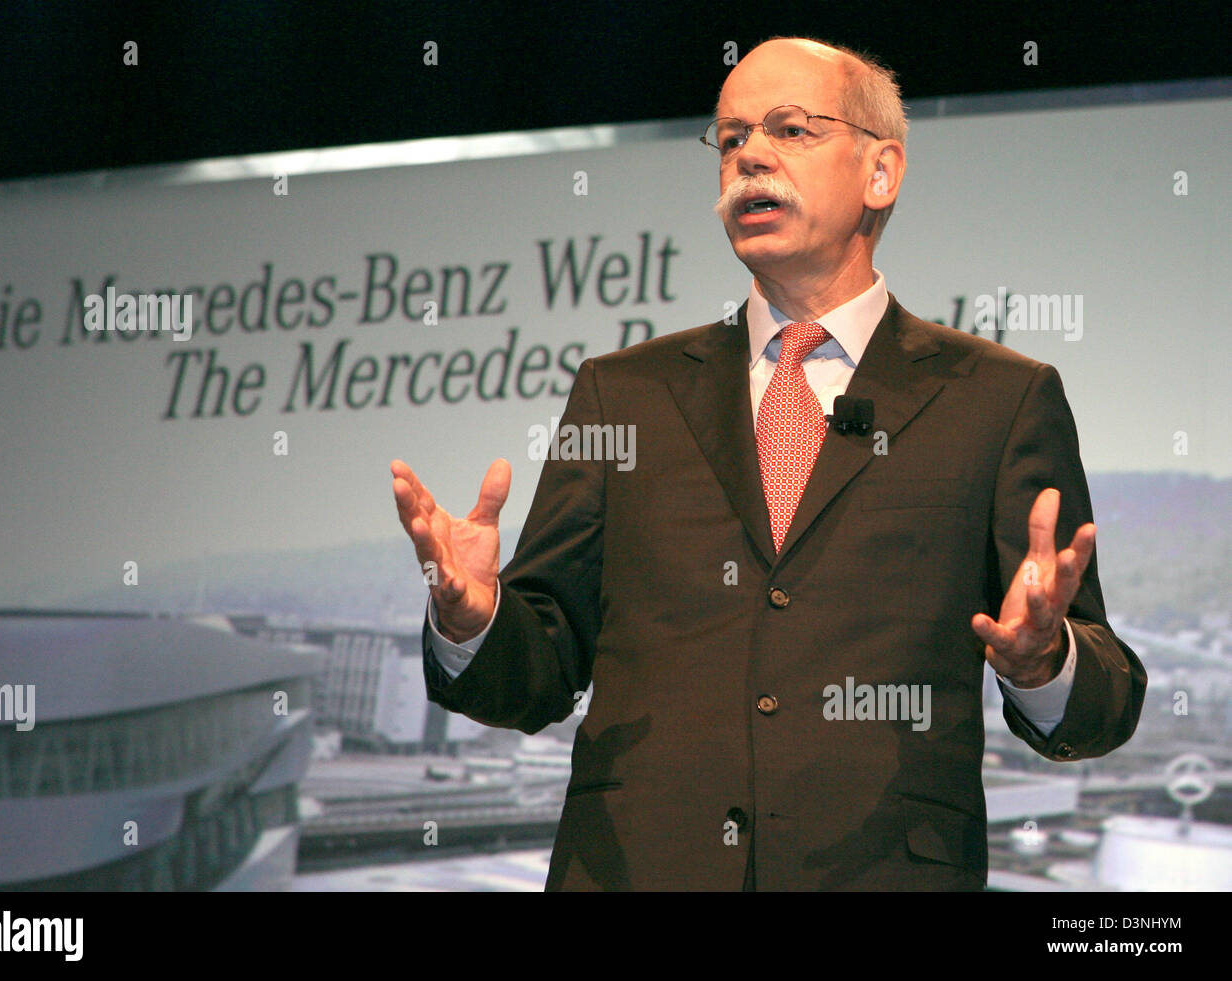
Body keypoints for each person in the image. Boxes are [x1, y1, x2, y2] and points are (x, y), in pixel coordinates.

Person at [390, 37, 1146, 890]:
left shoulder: (998, 400)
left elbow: (1107, 700)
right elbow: (539, 672)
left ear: (881, 173)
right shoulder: (622, 393)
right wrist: (473, 620)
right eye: (731, 136)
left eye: (790, 129)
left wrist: (1044, 661)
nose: (749, 155)